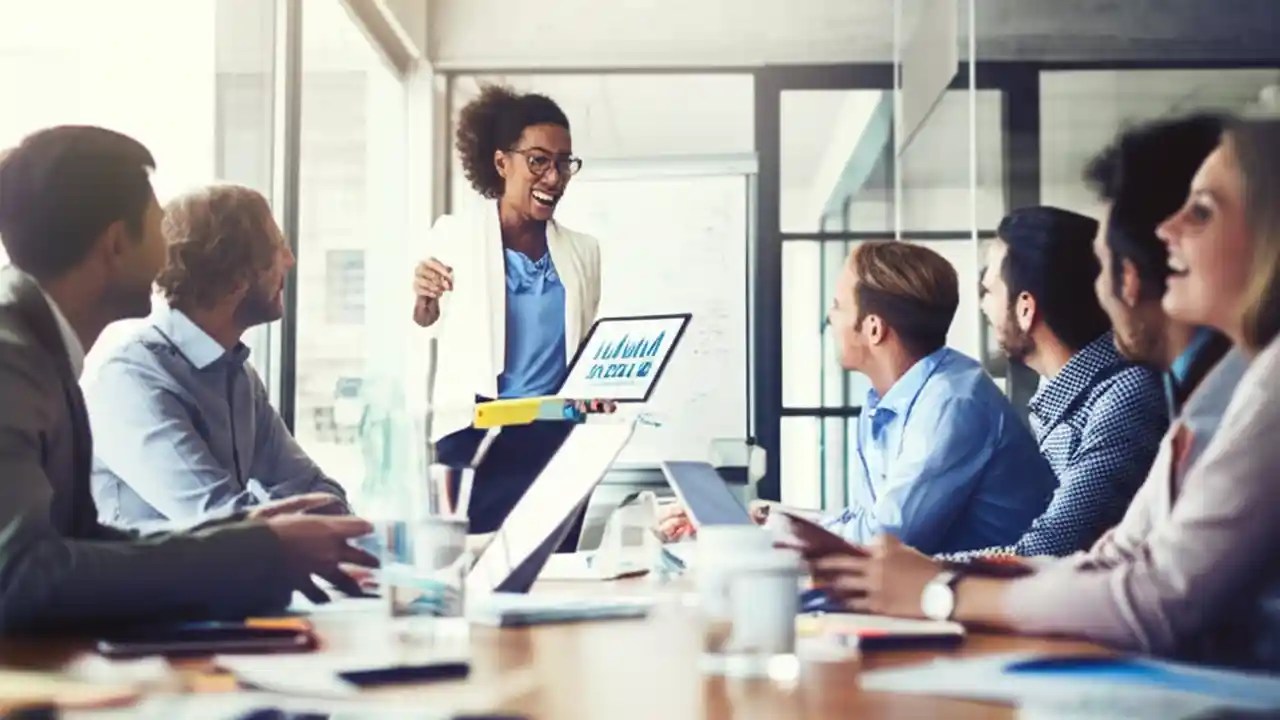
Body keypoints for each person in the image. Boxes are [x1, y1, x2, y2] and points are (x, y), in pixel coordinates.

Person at [805, 117, 1280, 669]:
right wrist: (930, 577)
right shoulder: (1203, 393)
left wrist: (941, 588)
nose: (1169, 233)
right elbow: (1114, 557)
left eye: (1203, 210)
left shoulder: (1182, 392)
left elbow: (1151, 591)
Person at [0, 125, 373, 632]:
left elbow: (78, 544)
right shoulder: (13, 360)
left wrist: (249, 541)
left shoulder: (43, 352)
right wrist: (255, 547)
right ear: (115, 244)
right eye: (157, 226)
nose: (170, 252)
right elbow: (18, 576)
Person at [666, 242, 1057, 554]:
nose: (831, 319)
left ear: (873, 329)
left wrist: (753, 539)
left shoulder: (953, 402)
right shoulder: (885, 400)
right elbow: (862, 520)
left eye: (838, 306)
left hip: (987, 615)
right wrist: (760, 522)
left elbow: (883, 541)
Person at [83, 185, 350, 531]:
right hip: (145, 586)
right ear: (237, 279)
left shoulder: (238, 375)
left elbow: (323, 495)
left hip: (221, 583)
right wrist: (295, 521)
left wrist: (297, 520)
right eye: (277, 247)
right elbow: (222, 525)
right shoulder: (130, 380)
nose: (290, 260)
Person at [412, 85, 605, 543]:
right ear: (503, 163)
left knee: (555, 570)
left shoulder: (583, 251)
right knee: (471, 567)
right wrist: (425, 296)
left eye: (564, 162)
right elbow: (426, 320)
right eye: (538, 160)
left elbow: (583, 350)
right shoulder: (454, 234)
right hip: (476, 436)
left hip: (556, 438)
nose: (554, 177)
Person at [974, 206, 1167, 557]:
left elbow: (1049, 550)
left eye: (988, 291)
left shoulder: (1125, 397)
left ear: (1025, 309)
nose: (983, 306)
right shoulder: (1071, 395)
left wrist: (920, 575)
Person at [1087, 113, 1233, 416]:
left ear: (1129, 278)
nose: (1170, 230)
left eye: (1202, 212)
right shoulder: (1196, 387)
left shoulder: (1228, 407)